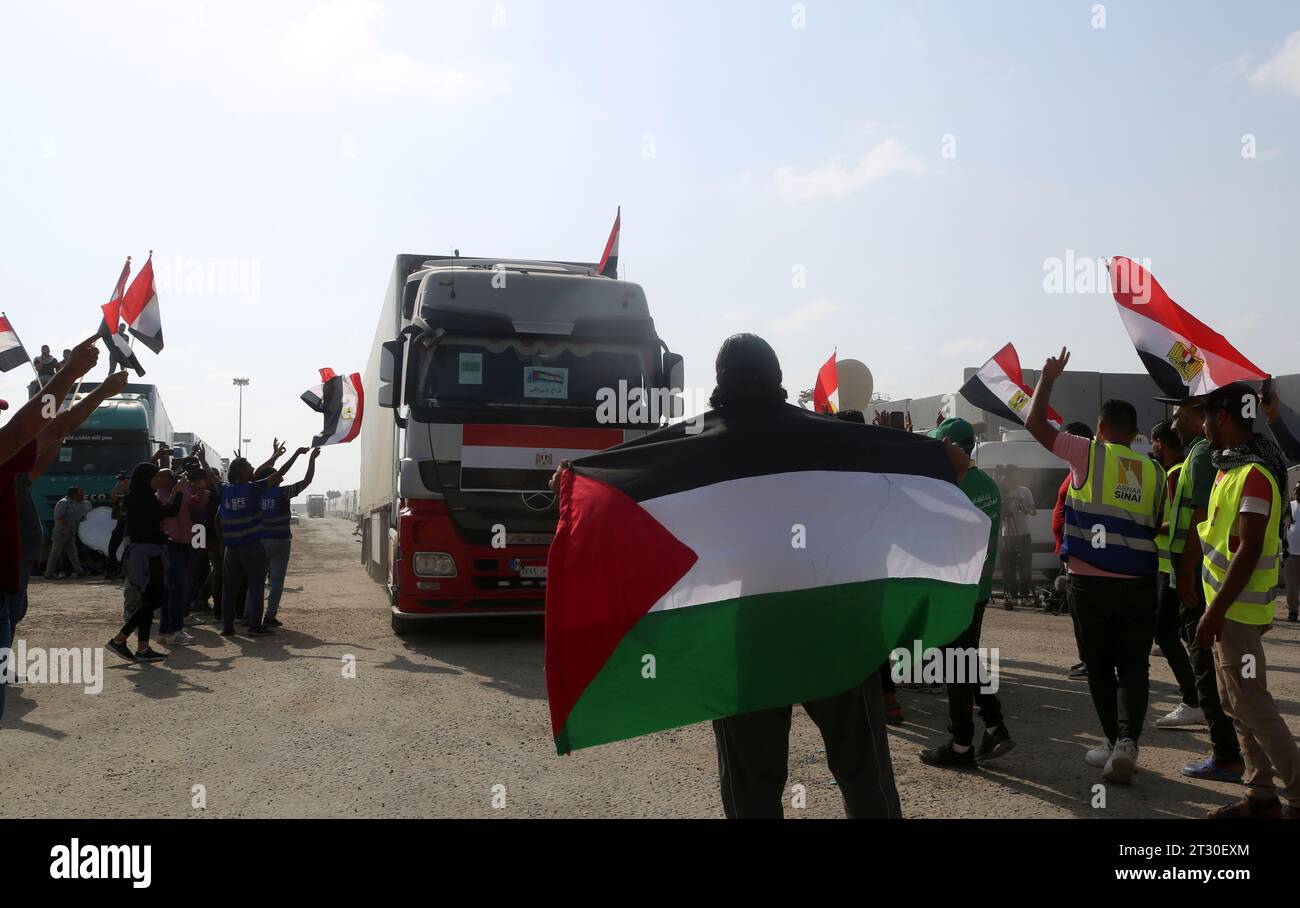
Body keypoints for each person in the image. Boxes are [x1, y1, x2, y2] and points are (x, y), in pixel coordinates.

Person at [1025, 347, 1163, 784]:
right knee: (1135, 665)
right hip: (1141, 581)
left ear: (1101, 428)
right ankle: (1127, 742)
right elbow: (1156, 523)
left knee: (1100, 665)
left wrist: (1047, 380)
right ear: (1134, 432)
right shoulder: (1155, 470)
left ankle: (1111, 740)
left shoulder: (1088, 453)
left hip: (1091, 584)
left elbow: (1034, 425)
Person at [1188, 383, 1299, 819]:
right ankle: (1260, 794)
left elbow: (1249, 549)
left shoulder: (1253, 474)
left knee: (1254, 704)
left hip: (1235, 613)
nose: (1203, 423)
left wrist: (1213, 613)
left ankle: (1296, 791)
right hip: (1227, 610)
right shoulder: (1227, 469)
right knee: (1237, 703)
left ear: (1226, 417)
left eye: (1208, 415)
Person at [919, 417, 1015, 767]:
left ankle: (962, 745)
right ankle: (995, 726)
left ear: (953, 448)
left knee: (954, 666)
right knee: (966, 660)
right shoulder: (987, 483)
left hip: (954, 590)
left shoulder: (949, 487)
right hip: (979, 589)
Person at [1168, 400, 1245, 782]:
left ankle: (1227, 755)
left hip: (1196, 579)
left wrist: (1184, 572)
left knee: (1205, 667)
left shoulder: (1200, 457)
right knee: (1214, 668)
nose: (1173, 421)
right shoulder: (1205, 455)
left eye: (1179, 415)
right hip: (1203, 578)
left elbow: (1199, 516)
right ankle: (1234, 751)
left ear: (1201, 416)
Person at [837, 410, 904, 724]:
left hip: (845, 574)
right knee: (875, 634)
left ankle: (861, 699)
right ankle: (887, 699)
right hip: (877, 568)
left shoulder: (833, 472)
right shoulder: (880, 470)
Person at [1148, 420, 1203, 729]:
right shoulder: (1179, 470)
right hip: (1174, 567)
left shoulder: (1174, 474)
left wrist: (1150, 527)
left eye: (1154, 442)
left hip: (1175, 568)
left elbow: (1180, 521)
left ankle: (1193, 698)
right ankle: (1201, 695)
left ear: (1160, 443)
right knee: (1182, 634)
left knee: (1167, 633)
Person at [106, 462, 185, 662]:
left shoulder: (142, 497)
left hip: (149, 552)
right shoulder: (142, 500)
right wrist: (179, 492)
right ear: (146, 478)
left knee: (150, 600)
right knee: (153, 599)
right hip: (146, 555)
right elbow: (170, 512)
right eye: (156, 476)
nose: (159, 480)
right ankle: (120, 639)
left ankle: (142, 647)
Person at [215, 440, 286, 637]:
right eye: (249, 467)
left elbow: (213, 478)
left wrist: (202, 460)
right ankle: (255, 625)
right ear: (243, 473)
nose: (253, 468)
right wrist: (295, 456)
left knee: (229, 589)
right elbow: (276, 475)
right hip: (252, 546)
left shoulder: (226, 490)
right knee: (256, 587)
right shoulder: (252, 490)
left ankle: (227, 627)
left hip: (232, 549)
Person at [257, 445, 320, 628]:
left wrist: (276, 455)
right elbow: (307, 480)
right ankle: (270, 616)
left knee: (256, 580)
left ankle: (249, 615)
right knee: (276, 581)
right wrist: (312, 460)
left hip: (259, 541)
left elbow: (260, 470)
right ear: (274, 478)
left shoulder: (254, 492)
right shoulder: (283, 492)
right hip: (280, 541)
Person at [1052, 422, 1093, 676]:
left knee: (1083, 613)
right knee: (1076, 613)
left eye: (1067, 439)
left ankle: (1092, 661)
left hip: (1077, 552)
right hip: (1067, 551)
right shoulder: (1074, 469)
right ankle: (1086, 657)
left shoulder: (1086, 469)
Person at [156, 465, 209, 645]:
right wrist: (178, 491)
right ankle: (174, 630)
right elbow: (169, 510)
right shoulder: (159, 496)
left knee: (173, 589)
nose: (167, 479)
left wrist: (200, 488)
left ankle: (165, 631)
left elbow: (196, 505)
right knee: (175, 588)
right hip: (170, 545)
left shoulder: (182, 490)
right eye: (164, 476)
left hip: (184, 543)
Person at [997, 467, 1034, 608]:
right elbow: (999, 513)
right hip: (1007, 536)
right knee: (1008, 568)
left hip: (1023, 534)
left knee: (1025, 567)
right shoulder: (1002, 492)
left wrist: (1025, 509)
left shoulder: (1025, 491)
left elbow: (1034, 511)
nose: (1014, 478)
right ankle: (1010, 596)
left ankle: (1024, 596)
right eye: (1011, 475)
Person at [45, 487, 87, 578]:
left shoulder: (71, 503)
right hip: (61, 532)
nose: (79, 495)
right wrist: (69, 528)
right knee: (55, 552)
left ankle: (79, 571)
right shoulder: (63, 502)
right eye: (77, 493)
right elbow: (60, 517)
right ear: (73, 494)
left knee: (72, 553)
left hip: (69, 533)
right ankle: (49, 573)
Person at [104, 471, 130, 580]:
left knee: (127, 549)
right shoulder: (120, 495)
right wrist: (119, 484)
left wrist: (127, 486)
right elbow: (113, 497)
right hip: (120, 524)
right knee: (112, 548)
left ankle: (124, 572)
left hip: (129, 525)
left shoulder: (131, 494)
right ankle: (113, 570)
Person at [1285, 485, 1300, 623]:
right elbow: (1284, 527)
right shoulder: (1289, 506)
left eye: (1299, 490)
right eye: (1295, 490)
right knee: (1292, 585)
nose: (1296, 492)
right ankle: (1293, 611)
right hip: (1291, 552)